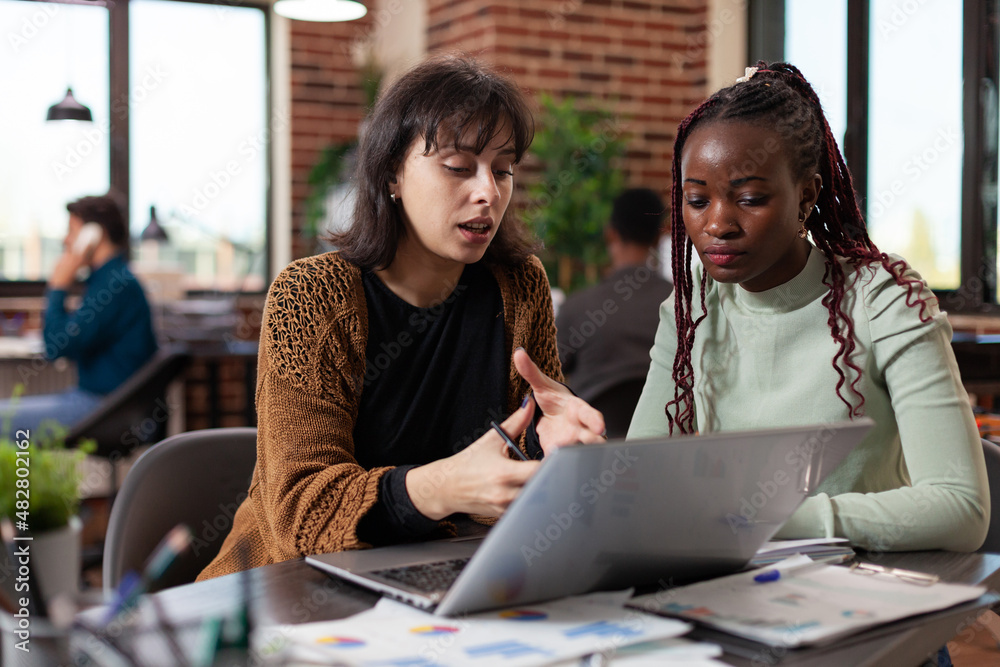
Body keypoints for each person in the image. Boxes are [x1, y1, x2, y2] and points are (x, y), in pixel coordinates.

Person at [198, 55, 605, 580]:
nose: (489, 192)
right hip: (286, 591)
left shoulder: (519, 284)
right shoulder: (312, 296)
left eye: (503, 169)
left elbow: (511, 447)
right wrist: (443, 487)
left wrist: (548, 442)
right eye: (459, 167)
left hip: (448, 578)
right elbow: (300, 514)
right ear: (392, 171)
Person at [628, 62, 989, 553]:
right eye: (697, 200)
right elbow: (639, 484)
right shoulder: (692, 305)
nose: (718, 224)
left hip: (873, 596)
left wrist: (766, 519)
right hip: (731, 588)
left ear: (806, 196)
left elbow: (961, 507)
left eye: (750, 198)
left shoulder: (884, 297)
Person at [0, 194, 158, 434]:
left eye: (71, 231)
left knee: (3, 419)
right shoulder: (110, 279)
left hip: (107, 406)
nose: (66, 240)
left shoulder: (114, 286)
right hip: (105, 400)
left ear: (93, 235)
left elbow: (55, 347)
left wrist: (58, 286)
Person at [556, 187, 673, 436]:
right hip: (664, 450)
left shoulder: (578, 307)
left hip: (591, 449)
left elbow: (548, 378)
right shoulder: (683, 307)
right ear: (657, 239)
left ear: (611, 234)